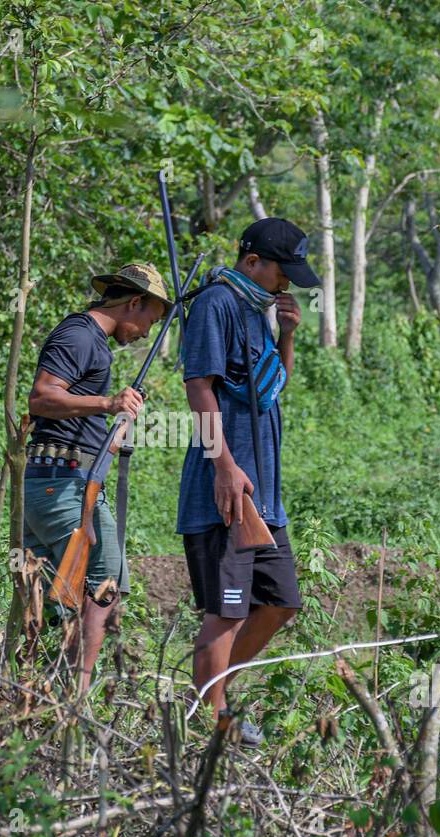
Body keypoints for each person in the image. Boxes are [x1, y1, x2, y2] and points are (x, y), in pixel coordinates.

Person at [176, 218, 321, 746]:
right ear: (254, 261)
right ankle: (212, 722)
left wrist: (287, 336)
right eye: (284, 271)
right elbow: (200, 386)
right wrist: (224, 467)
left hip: (265, 496)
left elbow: (271, 387)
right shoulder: (217, 303)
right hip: (227, 492)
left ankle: (207, 696)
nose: (287, 283)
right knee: (226, 612)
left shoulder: (259, 309)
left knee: (280, 601)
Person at [24, 263, 172, 696]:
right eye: (150, 319)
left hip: (58, 482)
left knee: (56, 600)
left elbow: (68, 415)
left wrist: (109, 431)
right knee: (102, 588)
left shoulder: (93, 343)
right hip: (63, 488)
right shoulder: (80, 336)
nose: (146, 332)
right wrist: (108, 402)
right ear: (134, 303)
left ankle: (38, 692)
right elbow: (42, 397)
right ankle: (77, 700)